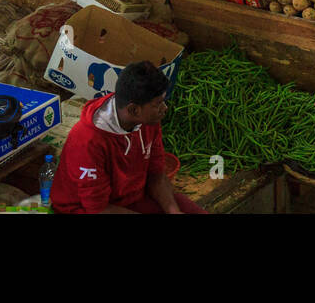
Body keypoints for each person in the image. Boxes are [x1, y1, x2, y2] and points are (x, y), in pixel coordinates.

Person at [51, 61, 205, 214]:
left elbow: (156, 175)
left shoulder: (148, 120)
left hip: (131, 200)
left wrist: (174, 211)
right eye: (158, 104)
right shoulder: (88, 142)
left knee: (185, 207)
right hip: (88, 209)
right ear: (134, 109)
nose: (164, 108)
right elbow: (97, 209)